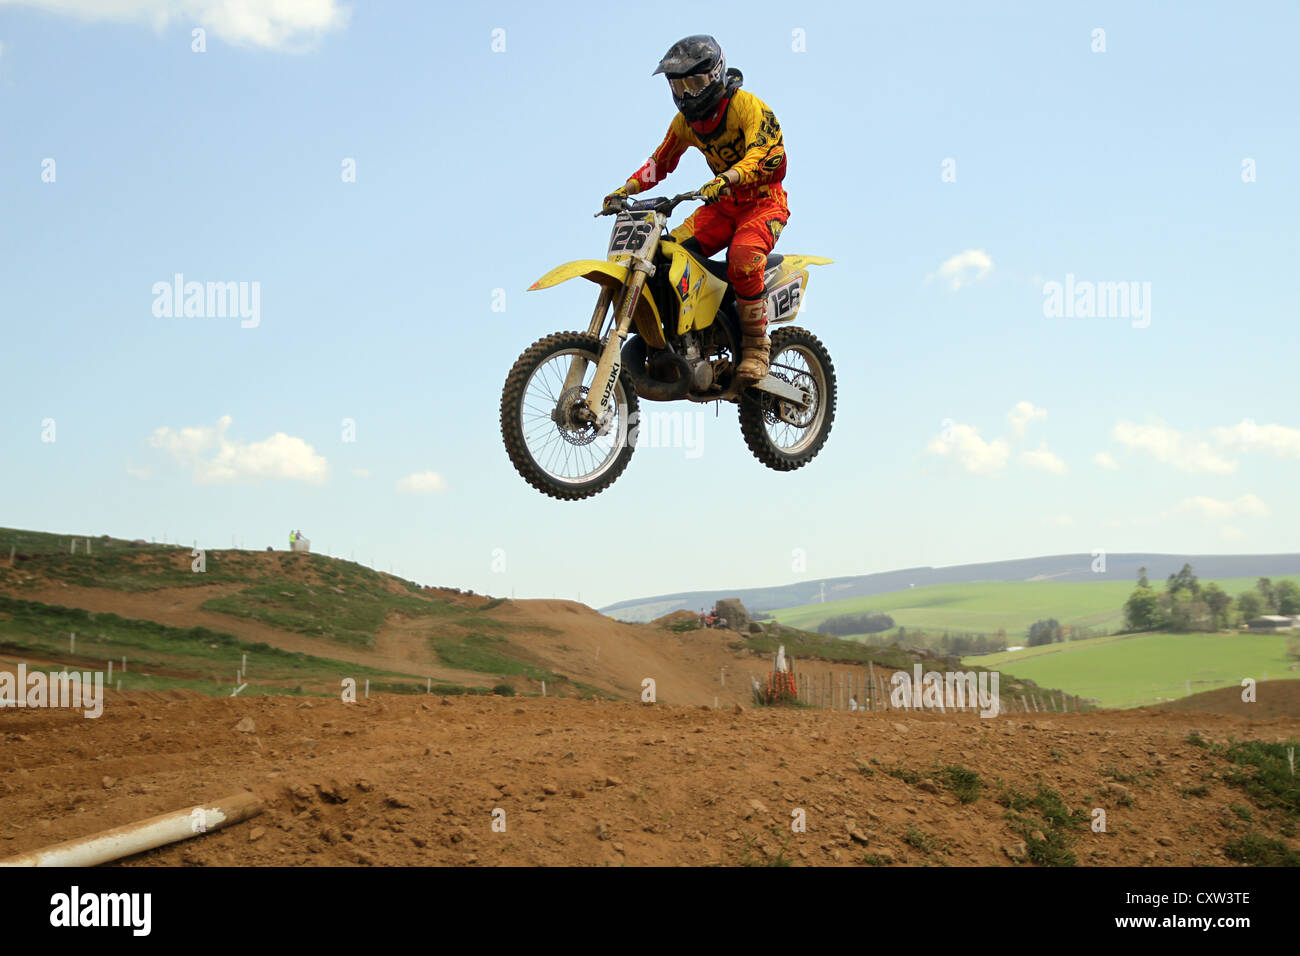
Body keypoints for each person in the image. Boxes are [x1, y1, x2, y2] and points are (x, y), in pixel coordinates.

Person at [603, 35, 789, 381]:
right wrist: (626, 188)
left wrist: (730, 176)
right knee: (666, 253)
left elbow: (768, 153)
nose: (687, 94)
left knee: (744, 257)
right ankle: (678, 338)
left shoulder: (748, 107)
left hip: (763, 202)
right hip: (722, 204)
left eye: (695, 83)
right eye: (679, 86)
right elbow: (661, 161)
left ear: (716, 74)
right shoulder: (685, 124)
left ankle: (756, 345)